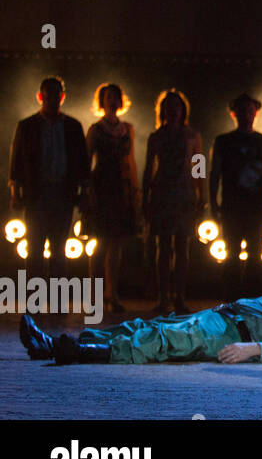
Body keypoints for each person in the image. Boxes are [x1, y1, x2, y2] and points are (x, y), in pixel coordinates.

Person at [18, 298, 262, 366]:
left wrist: (255, 349)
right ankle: (60, 345)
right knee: (147, 327)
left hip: (231, 331)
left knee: (161, 341)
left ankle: (64, 351)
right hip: (227, 317)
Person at [9, 77, 90, 285]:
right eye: (48, 94)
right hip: (37, 194)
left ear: (61, 97)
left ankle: (53, 302)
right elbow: (16, 163)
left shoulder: (72, 127)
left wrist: (84, 193)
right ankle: (37, 301)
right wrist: (15, 193)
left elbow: (82, 164)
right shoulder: (27, 126)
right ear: (40, 96)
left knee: (57, 250)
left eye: (55, 94)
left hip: (62, 194)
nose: (52, 99)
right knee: (36, 250)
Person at [210, 93, 262, 301]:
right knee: (231, 255)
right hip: (232, 206)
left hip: (257, 207)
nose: (246, 114)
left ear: (255, 113)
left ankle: (252, 299)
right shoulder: (222, 142)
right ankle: (231, 300)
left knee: (256, 256)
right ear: (234, 113)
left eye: (249, 110)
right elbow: (213, 173)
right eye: (242, 110)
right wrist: (213, 203)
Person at [141, 90, 204, 315]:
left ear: (182, 110)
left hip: (184, 195)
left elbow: (199, 166)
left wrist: (201, 195)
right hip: (163, 194)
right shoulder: (156, 137)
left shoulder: (192, 136)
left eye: (177, 107)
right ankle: (164, 297)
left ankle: (179, 297)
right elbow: (149, 168)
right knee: (164, 247)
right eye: (169, 107)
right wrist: (145, 198)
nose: (173, 111)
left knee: (182, 247)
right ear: (163, 111)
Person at [84, 84, 139, 314]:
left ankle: (112, 293)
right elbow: (87, 162)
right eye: (108, 98)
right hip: (102, 186)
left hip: (121, 188)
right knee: (99, 243)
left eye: (116, 97)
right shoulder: (96, 129)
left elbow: (131, 160)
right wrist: (88, 192)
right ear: (102, 101)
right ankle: (94, 296)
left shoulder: (128, 129)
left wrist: (135, 189)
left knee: (117, 244)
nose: (113, 101)